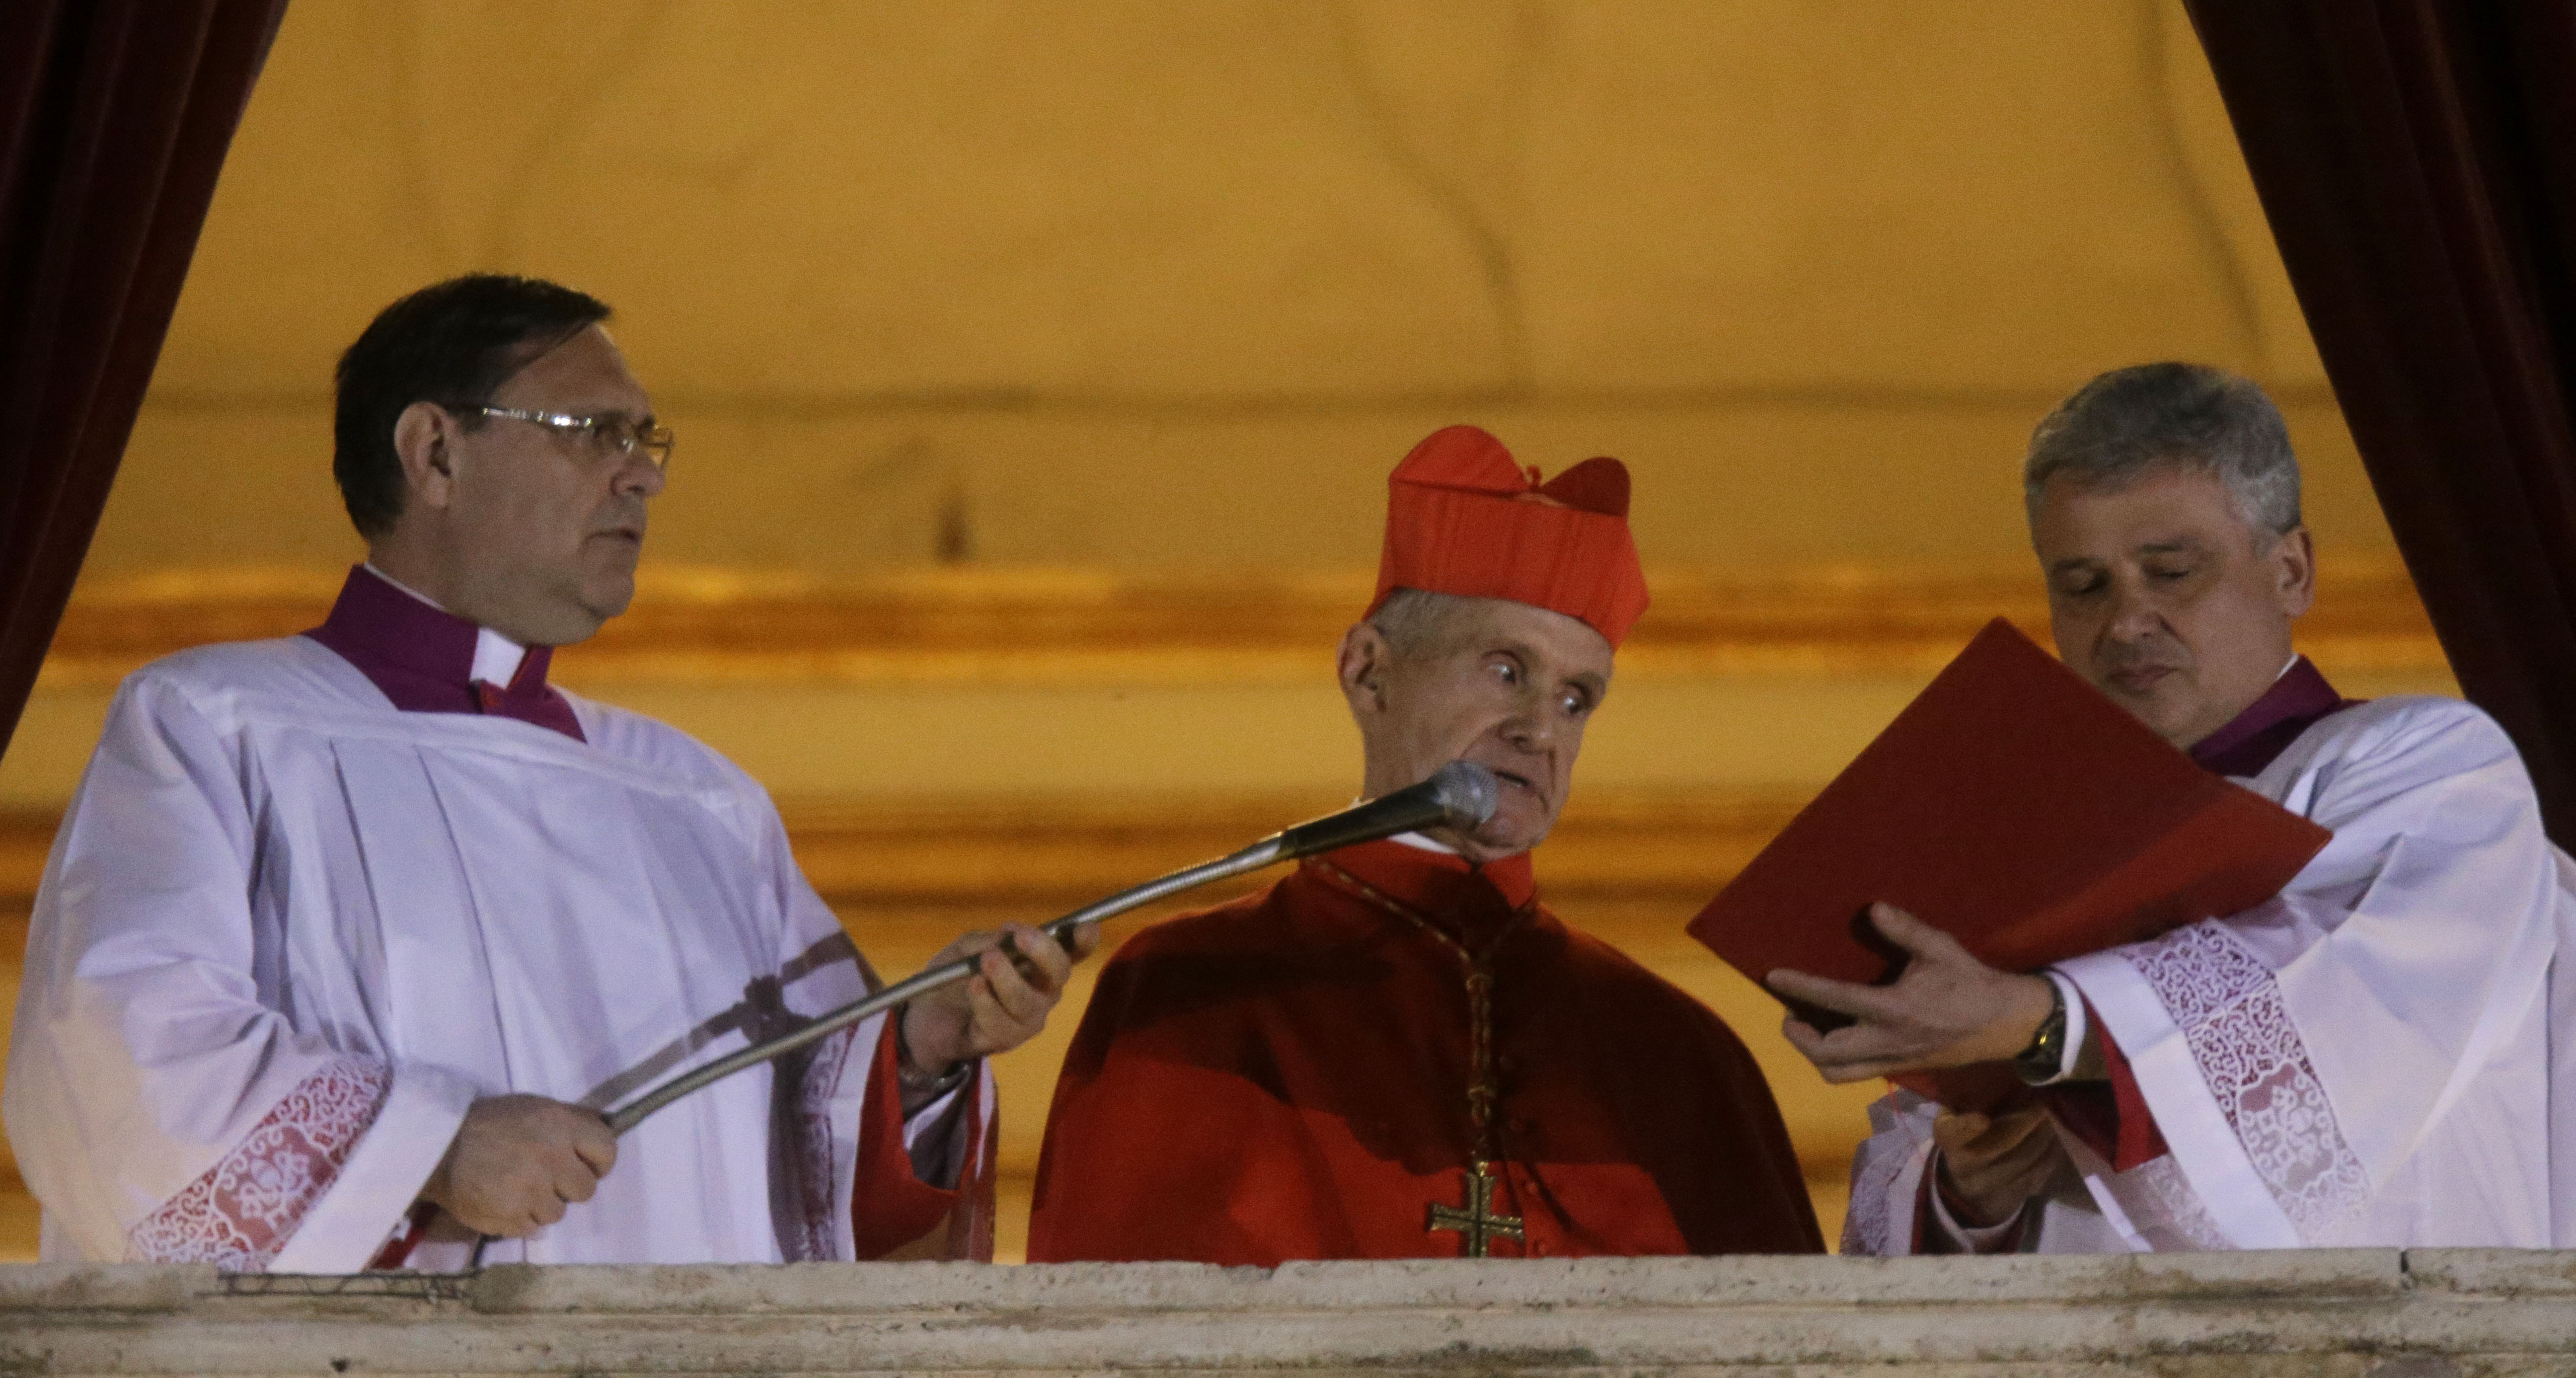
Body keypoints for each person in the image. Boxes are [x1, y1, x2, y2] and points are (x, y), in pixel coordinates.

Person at [3, 275, 1093, 1271]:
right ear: (435, 453)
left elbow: (811, 1152)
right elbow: (118, 1063)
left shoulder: (700, 801)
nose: (646, 472)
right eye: (594, 432)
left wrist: (919, 1050)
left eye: (649, 435)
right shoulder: (219, 726)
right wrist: (431, 1148)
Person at [1777, 362, 2576, 1254]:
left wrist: (2042, 1019)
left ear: (2290, 572)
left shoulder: (2426, 767)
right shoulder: (2017, 847)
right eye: (2082, 586)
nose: (2124, 622)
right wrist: (1969, 1189)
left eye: (2170, 571)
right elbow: (1917, 1173)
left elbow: (2353, 1006)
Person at [1026, 424, 1823, 1264]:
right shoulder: (1186, 996)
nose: (1539, 731)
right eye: (1507, 671)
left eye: (1576, 698)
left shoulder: (1677, 1049)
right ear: (1368, 671)